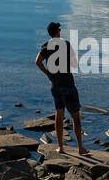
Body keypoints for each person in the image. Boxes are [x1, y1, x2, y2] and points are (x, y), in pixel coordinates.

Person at [34, 21, 87, 156]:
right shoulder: (66, 44)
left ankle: (61, 147)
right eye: (59, 29)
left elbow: (37, 62)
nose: (60, 31)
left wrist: (48, 74)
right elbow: (74, 64)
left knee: (59, 114)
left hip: (55, 86)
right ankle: (80, 148)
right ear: (57, 32)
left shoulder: (46, 46)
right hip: (68, 85)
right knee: (75, 117)